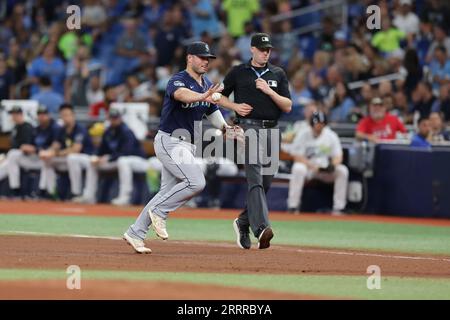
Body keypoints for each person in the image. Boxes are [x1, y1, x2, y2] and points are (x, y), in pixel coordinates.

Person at [123, 41, 247, 254]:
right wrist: (202, 96)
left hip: (186, 144)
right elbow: (180, 95)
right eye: (201, 57)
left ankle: (135, 232)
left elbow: (211, 110)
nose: (205, 62)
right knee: (196, 182)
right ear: (190, 58)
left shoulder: (205, 83)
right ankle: (160, 213)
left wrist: (226, 128)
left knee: (165, 191)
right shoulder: (178, 79)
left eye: (208, 59)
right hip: (169, 140)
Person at [219, 33, 292, 250]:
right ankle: (261, 228)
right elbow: (218, 95)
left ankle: (243, 222)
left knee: (267, 180)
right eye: (261, 49)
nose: (265, 52)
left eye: (268, 49)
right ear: (252, 49)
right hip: (247, 127)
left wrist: (269, 91)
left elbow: (287, 105)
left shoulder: (278, 73)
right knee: (255, 178)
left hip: (271, 129)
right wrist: (234, 107)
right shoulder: (238, 72)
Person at [68, 108, 152, 205]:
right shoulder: (108, 132)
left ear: (120, 119)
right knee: (93, 163)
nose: (113, 120)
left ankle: (125, 197)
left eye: (115, 118)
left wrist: (108, 158)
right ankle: (89, 196)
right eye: (112, 118)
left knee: (123, 161)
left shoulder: (126, 131)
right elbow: (101, 150)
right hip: (117, 160)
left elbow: (126, 152)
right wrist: (97, 157)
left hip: (137, 160)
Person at [287, 111, 348, 215]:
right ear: (312, 123)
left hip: (324, 169)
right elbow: (296, 156)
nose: (319, 125)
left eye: (322, 123)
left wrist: (332, 165)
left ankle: (339, 208)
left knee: (342, 170)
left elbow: (338, 156)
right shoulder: (303, 134)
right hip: (308, 168)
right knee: (298, 168)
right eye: (317, 123)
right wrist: (312, 166)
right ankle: (293, 206)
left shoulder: (331, 135)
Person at [39, 103, 94, 198]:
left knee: (72, 158)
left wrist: (57, 153)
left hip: (85, 158)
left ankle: (76, 192)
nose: (64, 118)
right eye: (62, 115)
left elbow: (76, 149)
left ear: (73, 116)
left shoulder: (80, 129)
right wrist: (48, 152)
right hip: (68, 159)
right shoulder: (61, 130)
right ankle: (52, 192)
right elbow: (56, 145)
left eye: (67, 115)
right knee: (47, 160)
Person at [0, 106, 34, 198]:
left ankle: (15, 190)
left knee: (11, 157)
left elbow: (26, 147)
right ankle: (14, 190)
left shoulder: (27, 127)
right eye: (12, 114)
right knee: (7, 161)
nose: (13, 117)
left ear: (21, 115)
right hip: (15, 158)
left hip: (28, 157)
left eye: (16, 114)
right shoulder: (15, 127)